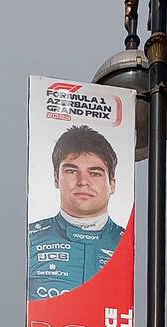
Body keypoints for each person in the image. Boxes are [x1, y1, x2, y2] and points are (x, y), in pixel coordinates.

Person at [27, 125, 124, 300]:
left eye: (95, 173)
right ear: (57, 178)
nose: (83, 182)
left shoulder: (128, 244)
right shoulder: (29, 238)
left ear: (113, 184)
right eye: (72, 171)